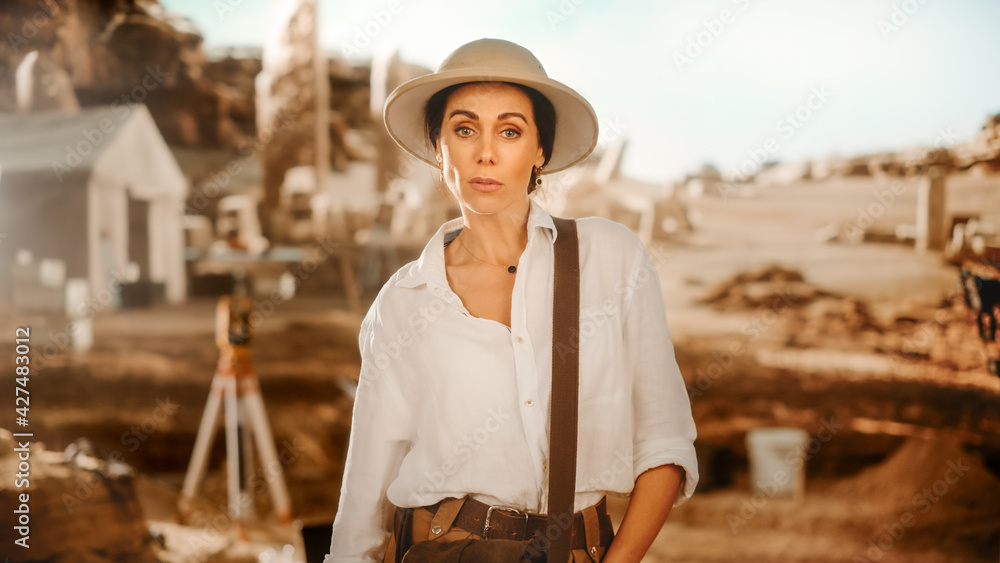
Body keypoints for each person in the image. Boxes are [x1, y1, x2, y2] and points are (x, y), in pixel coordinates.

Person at [326, 38, 697, 563]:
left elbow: (665, 444)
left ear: (539, 150)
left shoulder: (611, 258)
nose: (486, 152)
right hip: (440, 550)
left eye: (509, 130)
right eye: (464, 128)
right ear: (439, 147)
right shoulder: (403, 303)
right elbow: (365, 487)